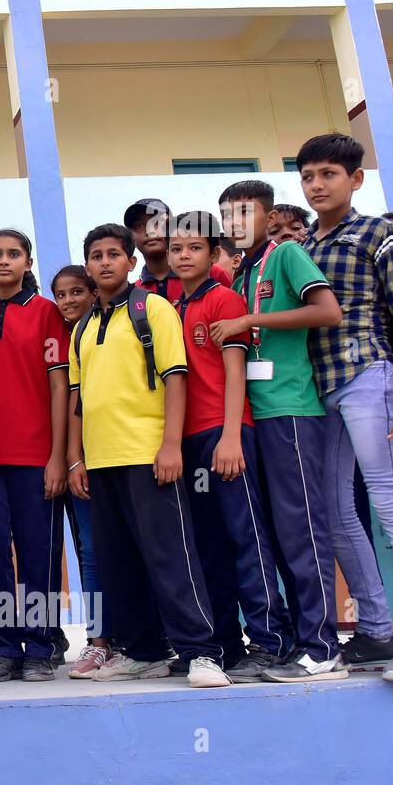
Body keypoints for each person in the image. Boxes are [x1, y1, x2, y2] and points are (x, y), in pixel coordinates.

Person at [67, 224, 228, 687]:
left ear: (130, 262)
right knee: (120, 563)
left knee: (171, 555)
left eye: (114, 254)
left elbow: (176, 377)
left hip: (148, 452)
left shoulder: (152, 308)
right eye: (96, 255)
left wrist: (171, 445)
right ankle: (146, 652)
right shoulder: (83, 326)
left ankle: (202, 652)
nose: (105, 262)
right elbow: (78, 399)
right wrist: (77, 458)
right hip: (101, 462)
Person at [216, 180, 347, 682]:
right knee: (270, 534)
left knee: (302, 528)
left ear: (268, 218)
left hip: (291, 408)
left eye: (244, 212)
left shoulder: (288, 254)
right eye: (227, 214)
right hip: (255, 413)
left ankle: (323, 647)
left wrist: (249, 318)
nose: (235, 222)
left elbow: (328, 312)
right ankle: (294, 641)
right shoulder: (240, 273)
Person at [167, 212, 295, 682]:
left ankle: (270, 640)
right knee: (209, 546)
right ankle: (224, 643)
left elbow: (235, 371)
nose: (184, 255)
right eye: (177, 248)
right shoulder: (172, 307)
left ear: (214, 254)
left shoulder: (224, 300)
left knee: (247, 538)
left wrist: (229, 434)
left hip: (227, 435)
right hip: (190, 440)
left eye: (194, 248)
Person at [296, 134, 393, 671]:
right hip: (322, 389)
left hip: (370, 375)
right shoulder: (303, 248)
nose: (317, 185)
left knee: (391, 504)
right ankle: (378, 630)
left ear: (355, 179)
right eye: (309, 176)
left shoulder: (379, 234)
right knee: (336, 511)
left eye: (329, 174)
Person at [0, 230, 69, 683]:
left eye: (14, 254)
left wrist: (58, 456)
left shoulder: (48, 314)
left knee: (39, 556)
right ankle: (6, 646)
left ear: (27, 262)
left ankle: (42, 645)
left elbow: (61, 387)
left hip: (35, 458)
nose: (4, 261)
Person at [50, 265, 112, 677]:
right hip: (85, 462)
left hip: (126, 454)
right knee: (91, 551)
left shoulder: (119, 322)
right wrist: (74, 458)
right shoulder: (70, 339)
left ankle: (148, 638)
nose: (69, 300)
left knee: (132, 547)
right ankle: (99, 641)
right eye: (62, 294)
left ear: (93, 293)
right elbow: (75, 402)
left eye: (77, 291)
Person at [124, 198, 231, 300]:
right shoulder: (133, 293)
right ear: (131, 235)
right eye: (139, 225)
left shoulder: (211, 272)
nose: (150, 231)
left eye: (157, 222)